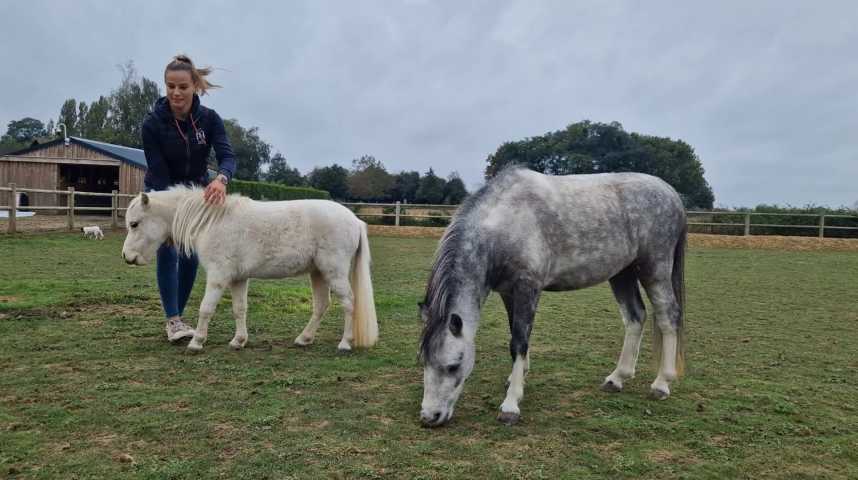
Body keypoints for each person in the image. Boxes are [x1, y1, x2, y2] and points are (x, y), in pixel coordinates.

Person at [141, 54, 236, 342]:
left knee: (192, 255)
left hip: (197, 198)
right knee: (168, 250)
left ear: (194, 85)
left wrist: (221, 180)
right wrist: (171, 220)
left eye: (182, 86)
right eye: (170, 86)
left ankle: (177, 318)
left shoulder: (209, 120)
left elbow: (227, 156)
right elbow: (158, 173)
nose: (176, 93)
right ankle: (173, 321)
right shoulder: (152, 124)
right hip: (162, 194)